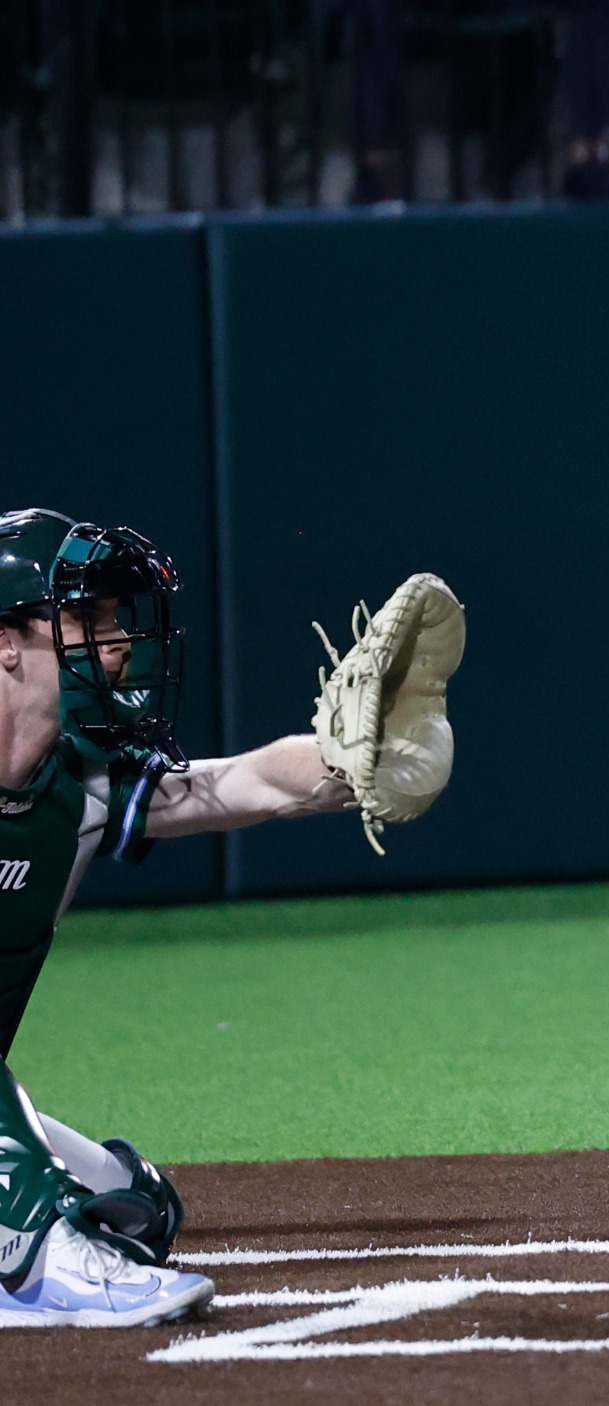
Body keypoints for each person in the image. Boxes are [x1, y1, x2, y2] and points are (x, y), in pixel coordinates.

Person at [0, 510, 368, 1327]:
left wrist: (354, 758)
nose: (117, 644)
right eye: (85, 620)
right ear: (5, 644)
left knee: (136, 1211)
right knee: (41, 1216)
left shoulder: (76, 783)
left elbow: (240, 783)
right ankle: (32, 1273)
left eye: (115, 619)